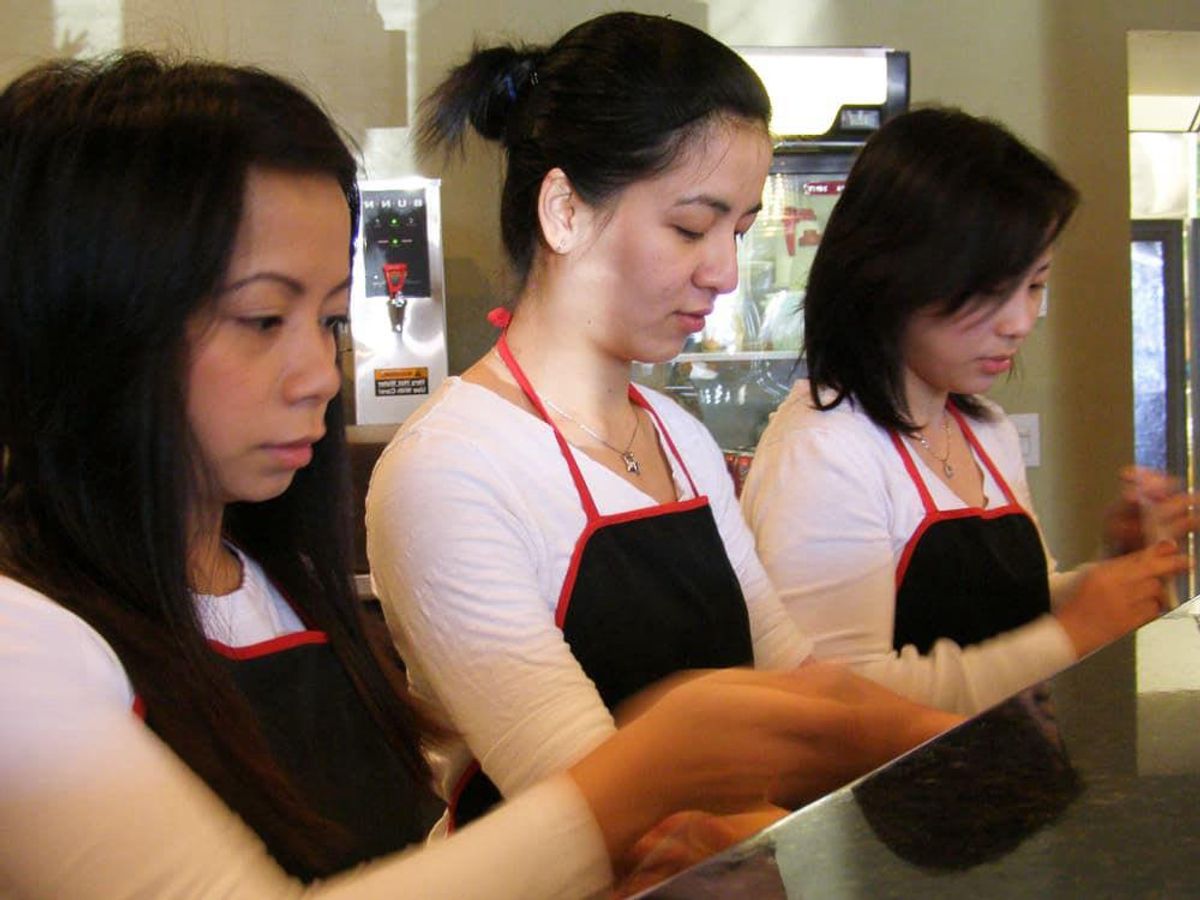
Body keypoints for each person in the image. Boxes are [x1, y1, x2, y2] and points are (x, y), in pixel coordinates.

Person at [0, 53, 960, 899]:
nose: (320, 377)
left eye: (333, 320)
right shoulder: (27, 646)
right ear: (92, 326)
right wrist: (640, 784)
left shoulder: (277, 585)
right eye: (263, 319)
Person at [366, 11, 958, 834]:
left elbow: (794, 675)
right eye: (691, 226)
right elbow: (593, 801)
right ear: (565, 210)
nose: (723, 272)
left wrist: (950, 746)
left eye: (741, 231)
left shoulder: (678, 436)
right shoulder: (450, 468)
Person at [741, 107, 1194, 716]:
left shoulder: (984, 428)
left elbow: (1006, 614)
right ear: (888, 275)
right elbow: (840, 702)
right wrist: (1074, 632)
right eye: (987, 290)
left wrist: (1110, 579)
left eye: (1034, 285)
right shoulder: (825, 447)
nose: (1019, 322)